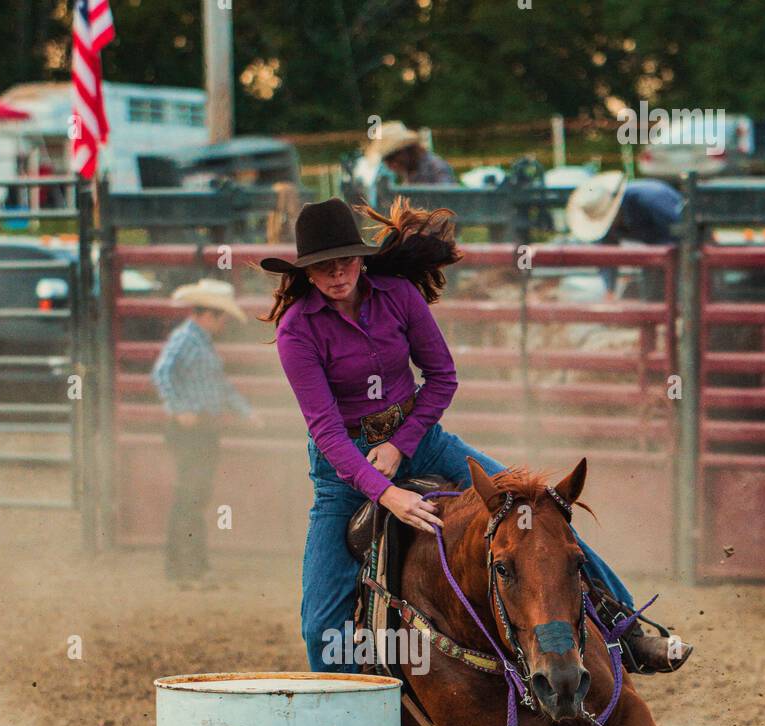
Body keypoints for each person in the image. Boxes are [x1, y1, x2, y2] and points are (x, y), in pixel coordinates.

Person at [260, 197, 690, 676]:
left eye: (344, 261)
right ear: (306, 273)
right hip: (344, 469)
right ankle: (344, 716)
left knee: (540, 512)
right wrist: (388, 495)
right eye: (324, 267)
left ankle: (627, 631)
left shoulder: (399, 296)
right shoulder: (297, 330)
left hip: (422, 440)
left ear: (361, 260)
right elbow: (325, 430)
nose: (337, 274)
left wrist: (401, 444)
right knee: (321, 626)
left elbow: (442, 376)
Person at [151, 279, 252, 583]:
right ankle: (186, 567)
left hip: (201, 428)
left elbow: (218, 385)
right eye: (222, 318)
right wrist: (180, 408)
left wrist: (244, 412)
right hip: (191, 429)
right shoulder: (186, 339)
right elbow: (162, 373)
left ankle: (188, 566)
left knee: (194, 495)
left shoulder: (198, 341)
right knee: (191, 494)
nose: (224, 324)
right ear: (210, 315)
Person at [567, 173, 683, 295]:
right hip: (660, 254)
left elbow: (684, 232)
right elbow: (607, 254)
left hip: (680, 248)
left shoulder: (652, 198)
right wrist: (609, 290)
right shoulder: (612, 222)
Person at [377, 121, 457, 186]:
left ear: (407, 149)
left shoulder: (437, 168)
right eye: (385, 159)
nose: (390, 164)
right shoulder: (410, 173)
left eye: (392, 157)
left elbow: (447, 200)